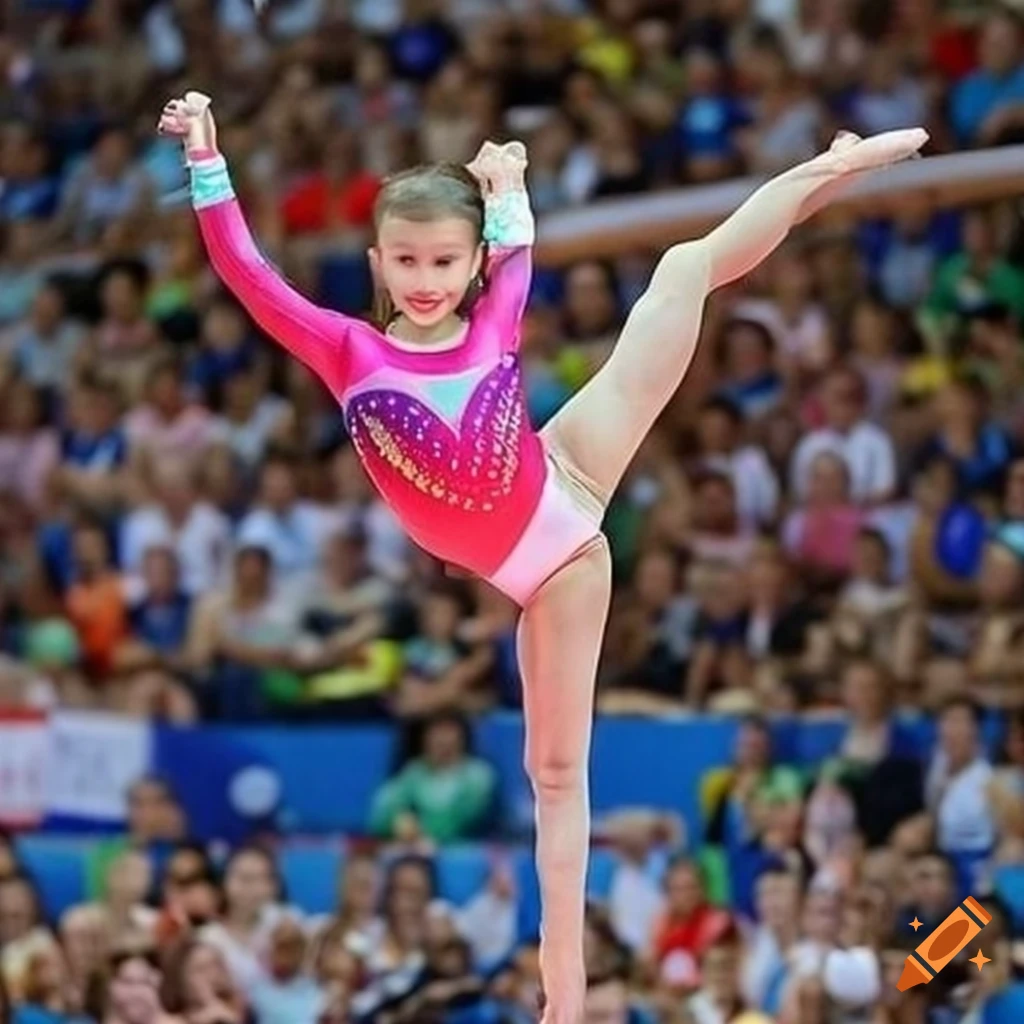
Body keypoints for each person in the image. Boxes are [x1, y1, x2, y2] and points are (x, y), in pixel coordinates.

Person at [159, 89, 926, 1024]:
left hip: (559, 532)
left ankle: (827, 169)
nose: (427, 278)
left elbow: (519, 241)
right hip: (542, 504)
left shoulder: (496, 316)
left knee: (686, 266)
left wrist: (510, 180)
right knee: (552, 774)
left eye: (446, 259)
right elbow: (246, 272)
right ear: (377, 262)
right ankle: (567, 986)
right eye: (406, 261)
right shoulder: (347, 350)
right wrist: (207, 154)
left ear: (474, 260)